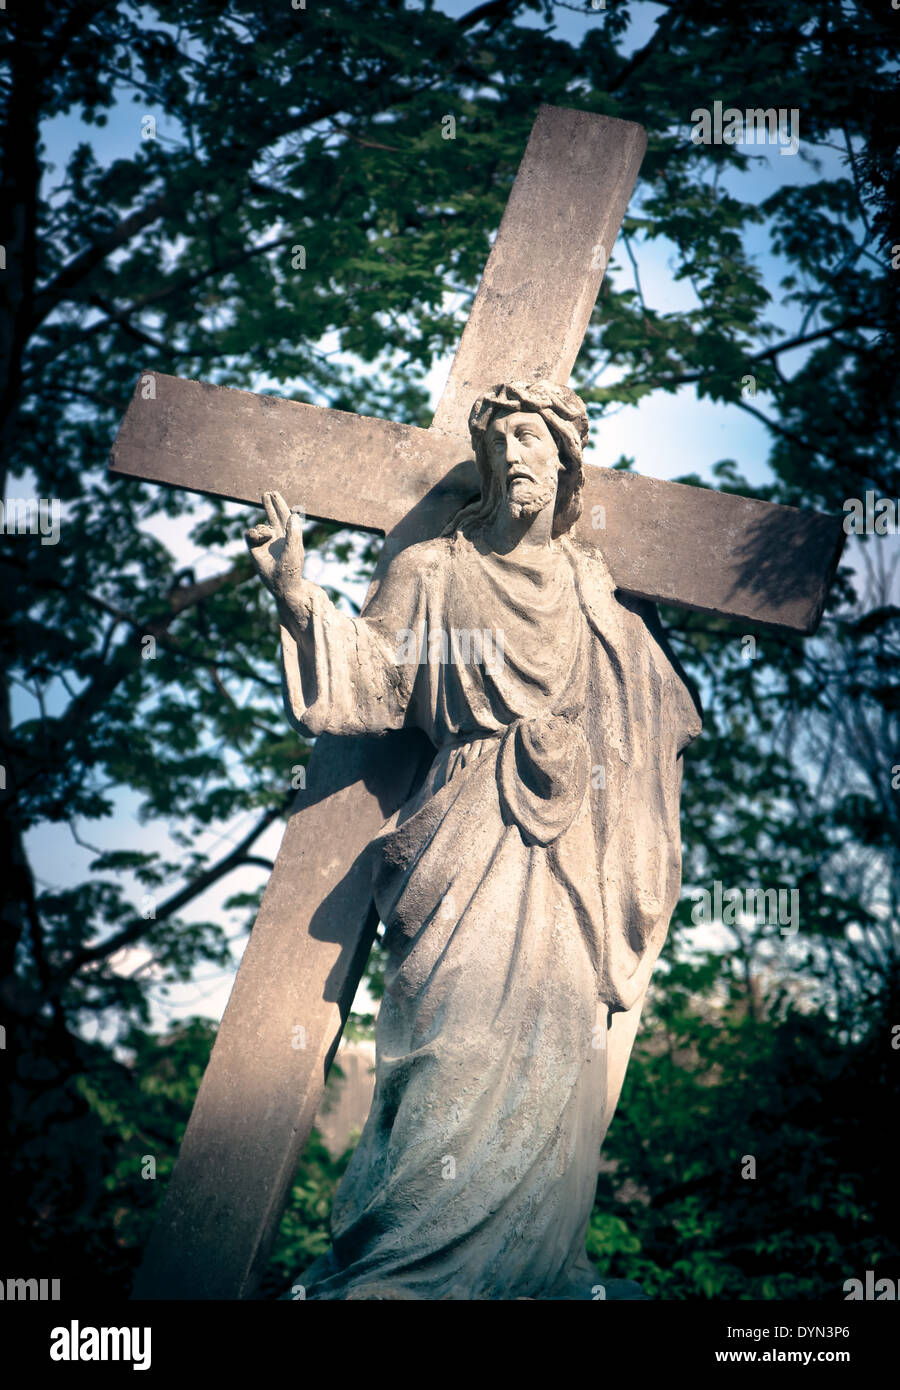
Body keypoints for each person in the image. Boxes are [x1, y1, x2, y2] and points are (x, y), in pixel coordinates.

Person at [246, 379, 702, 1300]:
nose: (520, 454)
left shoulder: (601, 606)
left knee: (551, 1056)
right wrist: (298, 596)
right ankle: (404, 1270)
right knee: (449, 1046)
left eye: (538, 438)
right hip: (465, 834)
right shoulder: (435, 572)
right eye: (506, 440)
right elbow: (374, 681)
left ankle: (535, 1269)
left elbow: (658, 716)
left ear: (567, 462)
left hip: (571, 850)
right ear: (488, 461)